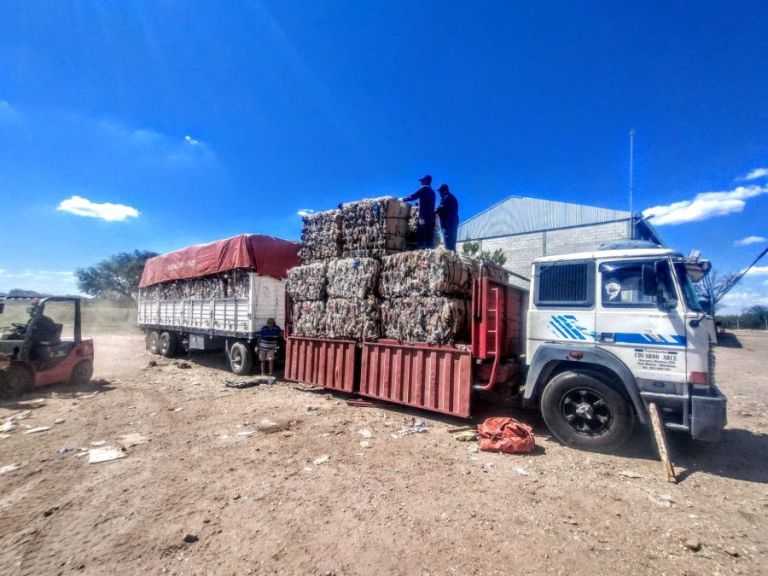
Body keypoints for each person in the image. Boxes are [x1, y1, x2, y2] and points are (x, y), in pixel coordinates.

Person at [402, 174, 436, 249]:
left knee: (422, 234)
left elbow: (414, 196)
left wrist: (403, 199)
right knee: (429, 237)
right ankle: (429, 250)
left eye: (422, 181)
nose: (421, 182)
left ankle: (421, 249)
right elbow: (428, 202)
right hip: (431, 217)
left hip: (424, 216)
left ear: (426, 181)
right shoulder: (432, 192)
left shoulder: (424, 189)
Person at [435, 184, 459, 251]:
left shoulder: (447, 197)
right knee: (452, 242)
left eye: (440, 192)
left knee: (448, 244)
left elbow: (441, 208)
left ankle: (449, 255)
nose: (439, 194)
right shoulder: (451, 197)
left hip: (448, 224)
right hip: (452, 223)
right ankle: (452, 255)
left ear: (444, 191)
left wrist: (432, 212)